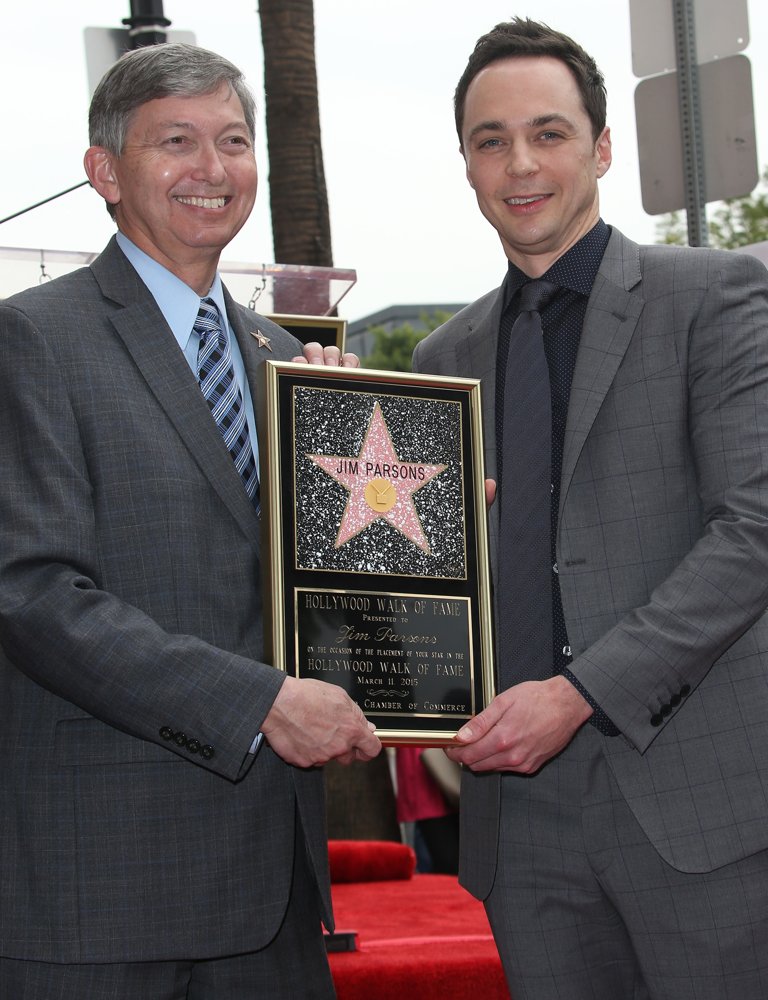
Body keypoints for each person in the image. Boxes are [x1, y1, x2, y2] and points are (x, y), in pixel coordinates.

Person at [0, 42, 380, 999]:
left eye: (235, 141)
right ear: (105, 172)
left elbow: (313, 595)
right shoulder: (32, 338)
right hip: (104, 896)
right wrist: (255, 704)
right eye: (177, 141)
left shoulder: (290, 361)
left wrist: (409, 521)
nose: (214, 170)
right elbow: (32, 593)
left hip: (277, 898)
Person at [413, 17, 768, 1000]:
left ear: (602, 147)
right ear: (467, 163)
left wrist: (579, 694)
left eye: (549, 132)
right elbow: (421, 579)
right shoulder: (440, 364)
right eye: (490, 141)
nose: (519, 163)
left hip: (699, 808)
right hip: (520, 827)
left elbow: (754, 533)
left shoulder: (719, 295)